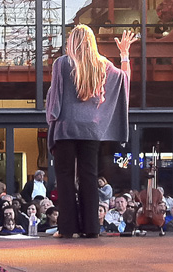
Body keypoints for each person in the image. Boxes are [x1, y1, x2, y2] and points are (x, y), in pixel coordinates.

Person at [46, 25, 137, 239]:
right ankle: (91, 228)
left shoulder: (62, 63)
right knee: (89, 177)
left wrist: (51, 117)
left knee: (65, 178)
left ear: (71, 41)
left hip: (66, 128)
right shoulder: (103, 64)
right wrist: (124, 54)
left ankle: (67, 229)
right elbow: (124, 80)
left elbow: (56, 98)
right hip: (92, 130)